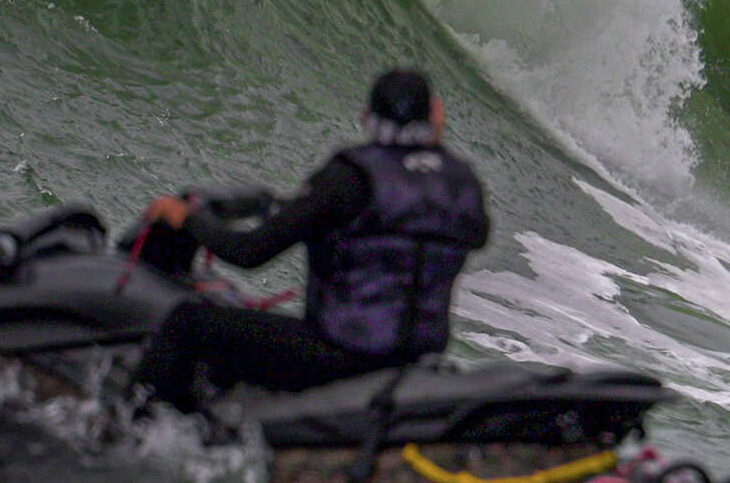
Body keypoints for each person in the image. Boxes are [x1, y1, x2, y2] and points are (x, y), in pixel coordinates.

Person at [130, 69, 489, 412]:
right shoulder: (463, 185)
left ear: (367, 118)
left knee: (188, 322)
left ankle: (141, 428)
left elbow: (249, 252)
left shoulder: (349, 178)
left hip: (339, 356)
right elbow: (450, 233)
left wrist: (189, 218)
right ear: (435, 118)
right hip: (419, 358)